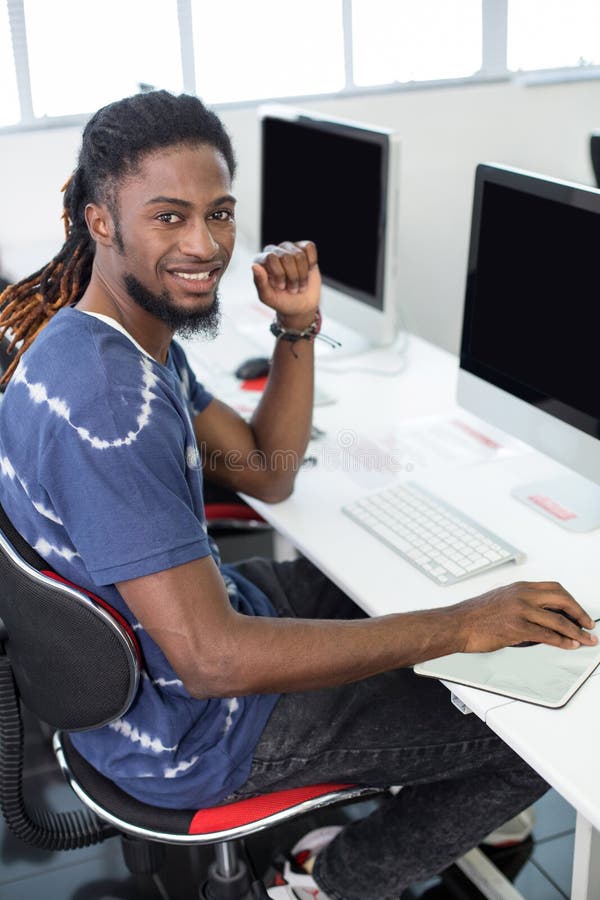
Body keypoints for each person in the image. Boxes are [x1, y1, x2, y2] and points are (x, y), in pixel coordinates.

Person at [0, 90, 596, 900]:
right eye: (169, 217)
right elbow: (213, 661)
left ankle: (425, 784)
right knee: (526, 734)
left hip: (181, 646)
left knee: (400, 597)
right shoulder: (109, 404)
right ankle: (323, 879)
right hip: (190, 733)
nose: (205, 245)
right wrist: (460, 625)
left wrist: (296, 327)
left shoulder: (112, 336)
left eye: (219, 213)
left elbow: (265, 468)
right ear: (100, 221)